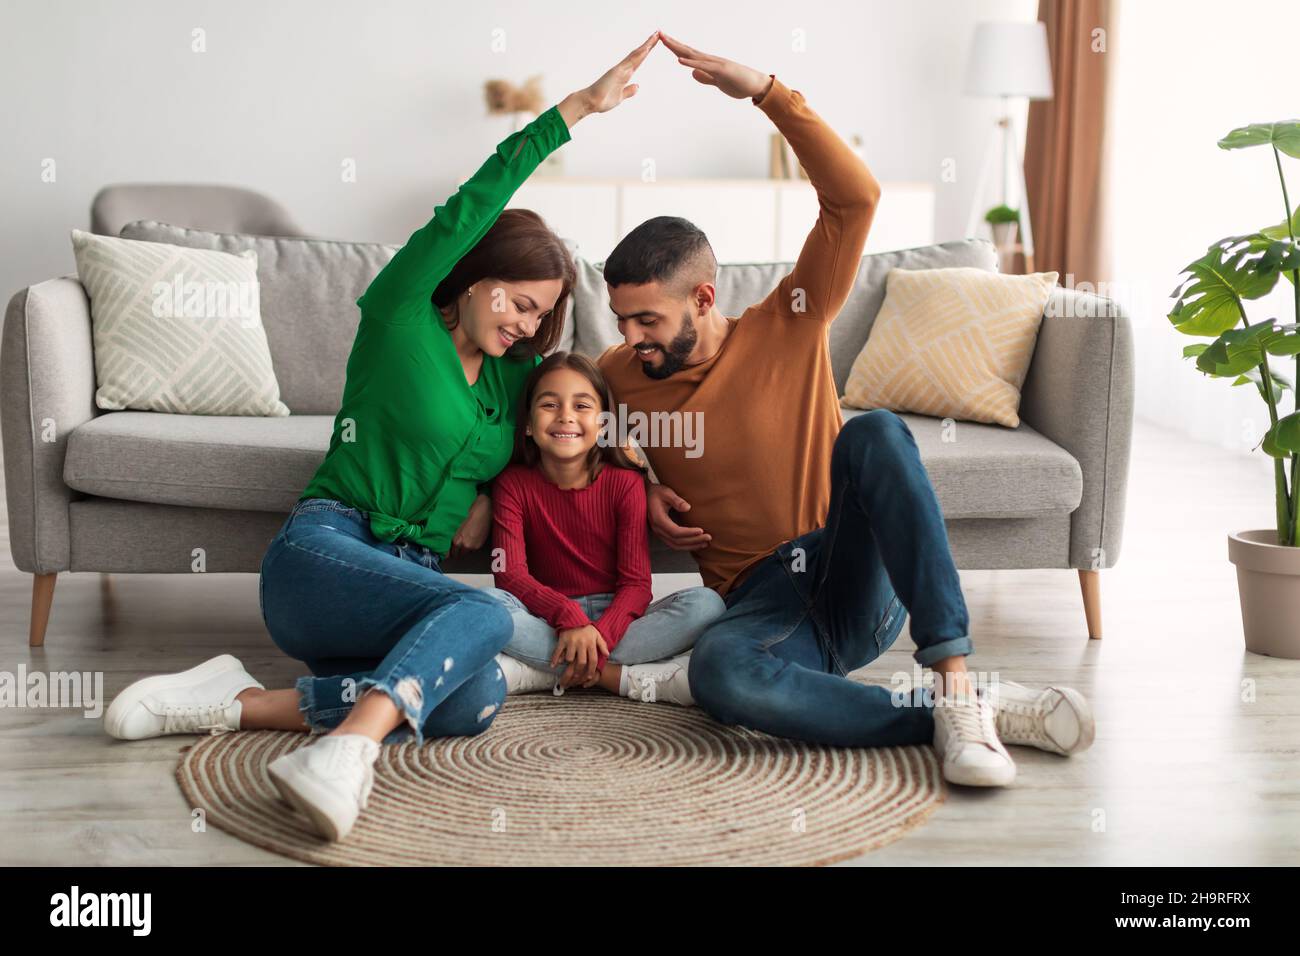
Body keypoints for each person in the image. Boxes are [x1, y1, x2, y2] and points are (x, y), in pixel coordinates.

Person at [102, 34, 662, 841]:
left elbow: (588, 408)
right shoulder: (399, 315)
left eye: (540, 312)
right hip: (325, 554)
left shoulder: (514, 383)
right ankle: (342, 756)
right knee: (493, 623)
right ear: (470, 275)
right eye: (513, 299)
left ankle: (235, 702)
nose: (524, 322)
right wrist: (575, 110)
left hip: (415, 584)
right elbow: (472, 201)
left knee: (473, 699)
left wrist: (647, 478)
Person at [595, 32, 1096, 788]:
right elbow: (562, 428)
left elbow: (855, 197)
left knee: (874, 433)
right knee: (721, 680)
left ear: (703, 298)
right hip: (763, 604)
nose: (629, 340)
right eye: (621, 321)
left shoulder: (790, 318)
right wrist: (637, 483)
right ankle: (960, 714)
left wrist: (767, 92)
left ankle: (954, 679)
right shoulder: (620, 373)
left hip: (849, 565)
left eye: (646, 322)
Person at [481, 352, 726, 705]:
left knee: (706, 605)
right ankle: (617, 675)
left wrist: (600, 632)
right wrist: (568, 618)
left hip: (618, 621)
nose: (566, 415)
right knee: (485, 606)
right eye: (550, 404)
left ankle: (541, 672)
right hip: (548, 619)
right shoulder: (513, 484)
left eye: (582, 406)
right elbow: (510, 576)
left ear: (604, 425)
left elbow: (637, 585)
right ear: (529, 424)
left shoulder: (624, 483)